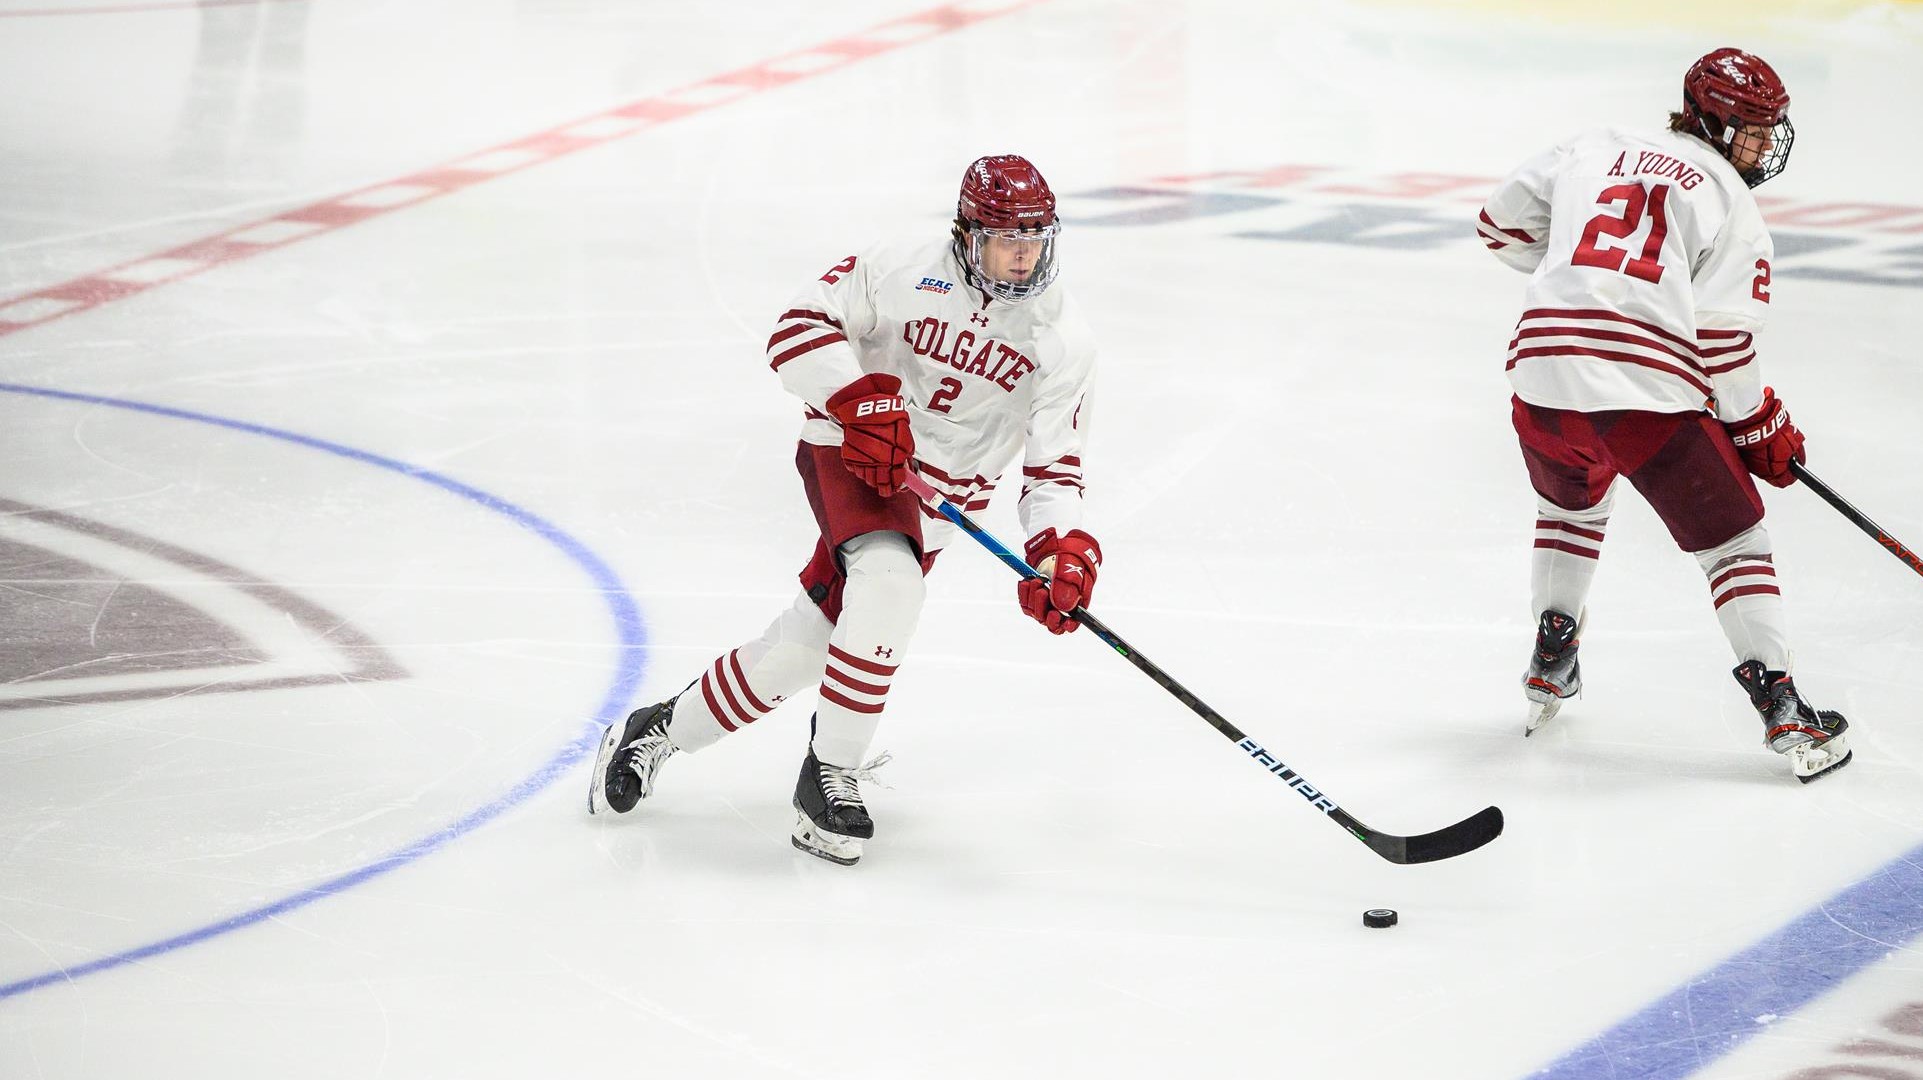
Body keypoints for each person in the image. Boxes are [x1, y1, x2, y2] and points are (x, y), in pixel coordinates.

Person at [588, 155, 1102, 860]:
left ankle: (658, 729)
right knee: (891, 586)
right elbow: (797, 327)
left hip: (938, 503)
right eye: (1004, 238)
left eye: (1035, 238)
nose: (1021, 255)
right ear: (965, 233)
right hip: (854, 451)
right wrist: (856, 399)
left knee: (808, 648)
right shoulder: (898, 267)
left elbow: (1053, 471)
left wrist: (1060, 551)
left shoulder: (1062, 337)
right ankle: (829, 775)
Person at [1476, 47, 1852, 782]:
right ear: (1713, 119)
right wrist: (1758, 426)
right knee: (1735, 543)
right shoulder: (1729, 198)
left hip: (1540, 381)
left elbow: (1497, 225)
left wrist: (1582, 272)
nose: (1760, 145)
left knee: (1570, 512)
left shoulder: (1594, 144)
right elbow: (1719, 341)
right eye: (1750, 128)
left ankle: (1551, 657)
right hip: (1643, 397)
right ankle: (1782, 708)